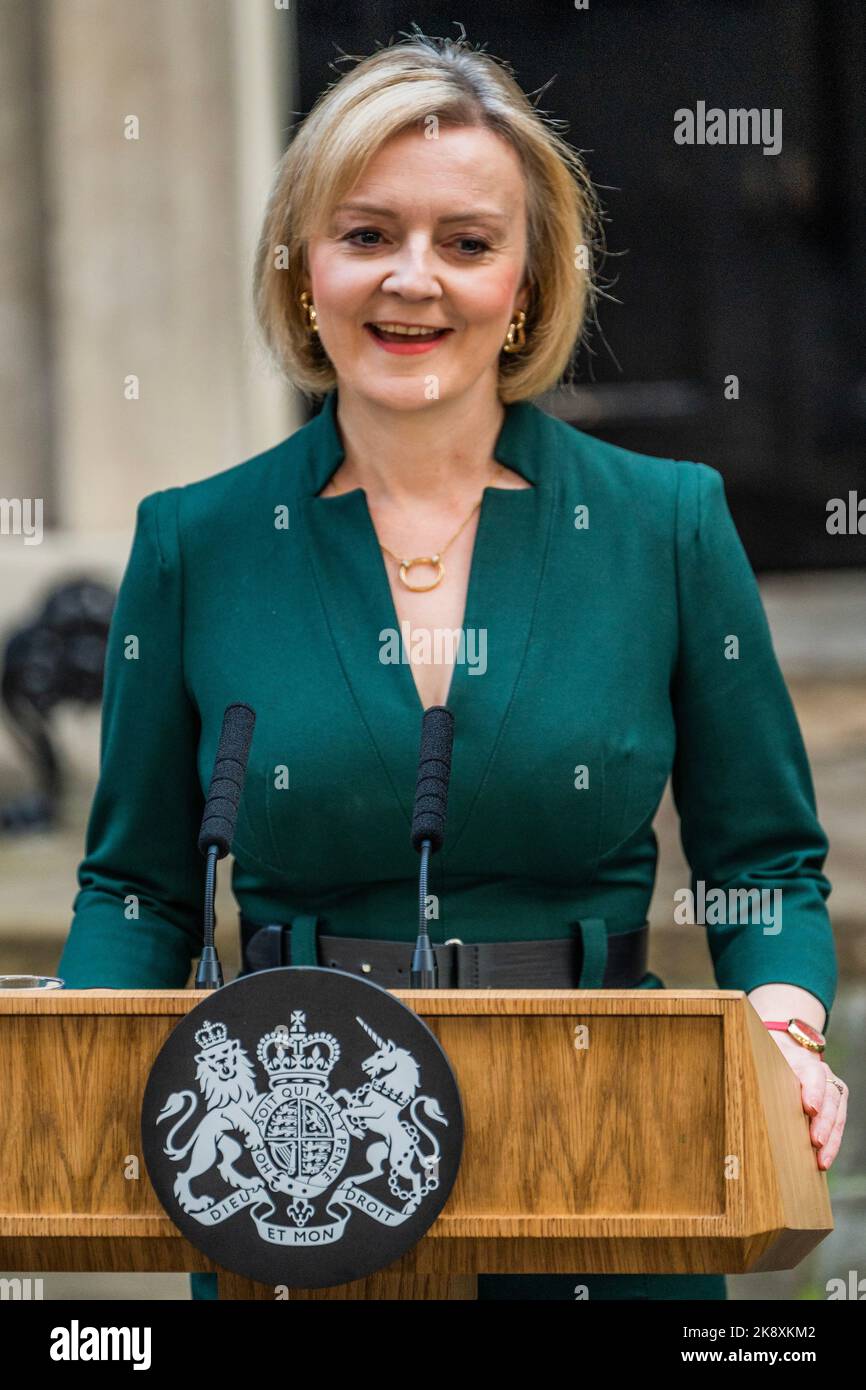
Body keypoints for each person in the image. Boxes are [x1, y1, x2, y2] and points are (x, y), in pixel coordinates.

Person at [58, 30, 847, 1302]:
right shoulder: (194, 540)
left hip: (608, 1152)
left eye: (466, 243)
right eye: (365, 234)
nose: (409, 281)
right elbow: (139, 888)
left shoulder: (665, 524)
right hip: (286, 1179)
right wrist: (67, 1060)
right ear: (303, 268)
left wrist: (783, 1026)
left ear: (526, 283)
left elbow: (760, 861)